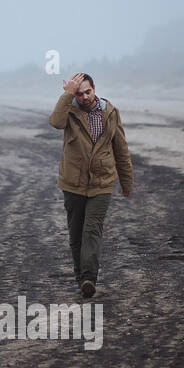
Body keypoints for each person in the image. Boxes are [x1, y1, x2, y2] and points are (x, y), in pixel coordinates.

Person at [49, 72, 133, 298]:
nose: (85, 97)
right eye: (79, 94)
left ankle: (89, 278)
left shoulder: (110, 113)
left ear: (94, 89)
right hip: (73, 183)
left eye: (88, 92)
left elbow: (121, 149)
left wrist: (126, 181)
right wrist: (67, 95)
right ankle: (81, 277)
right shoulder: (69, 112)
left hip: (102, 182)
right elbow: (55, 122)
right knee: (76, 234)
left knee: (92, 230)